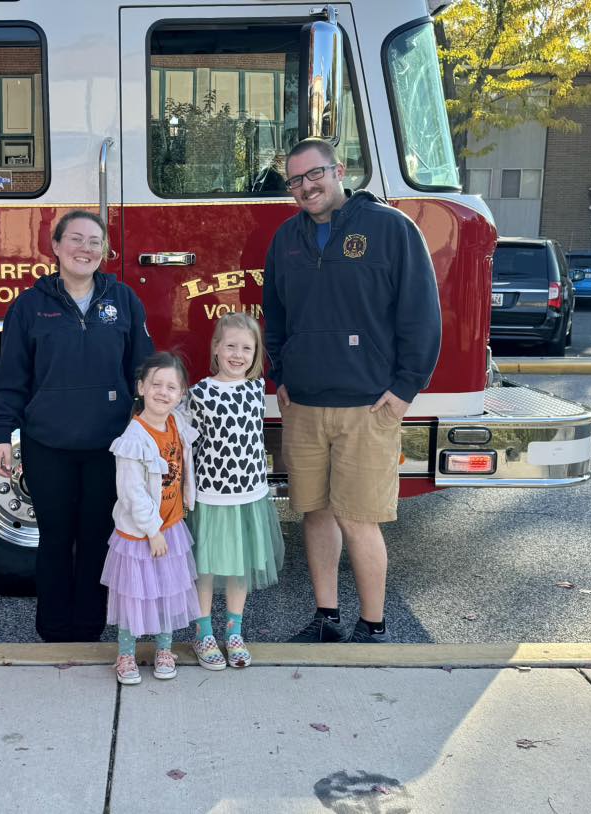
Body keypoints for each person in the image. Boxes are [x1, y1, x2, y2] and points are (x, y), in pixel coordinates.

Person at [262, 138, 441, 644]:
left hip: (368, 406)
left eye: (314, 174)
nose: (305, 187)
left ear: (339, 170)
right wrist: (282, 376)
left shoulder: (390, 229)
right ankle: (327, 617)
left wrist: (406, 389)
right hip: (305, 406)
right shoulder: (287, 240)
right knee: (315, 515)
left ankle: (373, 624)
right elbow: (274, 317)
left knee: (360, 519)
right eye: (295, 180)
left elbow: (422, 317)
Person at [0, 210, 153, 643]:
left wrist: (155, 427)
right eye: (76, 239)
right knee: (56, 539)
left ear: (105, 251)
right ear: (56, 247)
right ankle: (54, 630)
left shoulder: (125, 301)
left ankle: (88, 629)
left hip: (108, 446)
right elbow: (11, 379)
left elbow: (143, 371)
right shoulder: (29, 307)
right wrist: (3, 435)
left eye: (95, 241)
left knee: (97, 537)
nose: (86, 248)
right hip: (48, 445)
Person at [186, 313, 285, 670]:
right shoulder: (200, 392)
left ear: (256, 352)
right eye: (230, 346)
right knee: (206, 568)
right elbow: (187, 444)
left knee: (239, 567)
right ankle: (203, 632)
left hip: (248, 494)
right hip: (211, 495)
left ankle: (234, 630)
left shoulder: (256, 389)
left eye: (247, 347)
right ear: (216, 348)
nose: (238, 354)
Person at [100, 352, 200, 685]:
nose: (162, 392)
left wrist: (189, 494)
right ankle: (126, 656)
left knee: (168, 593)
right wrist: (152, 531)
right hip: (141, 534)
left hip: (171, 528)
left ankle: (163, 650)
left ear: (181, 393)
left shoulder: (176, 423)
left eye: (172, 387)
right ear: (141, 387)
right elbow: (132, 494)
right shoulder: (133, 440)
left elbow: (186, 459)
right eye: (155, 384)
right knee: (135, 596)